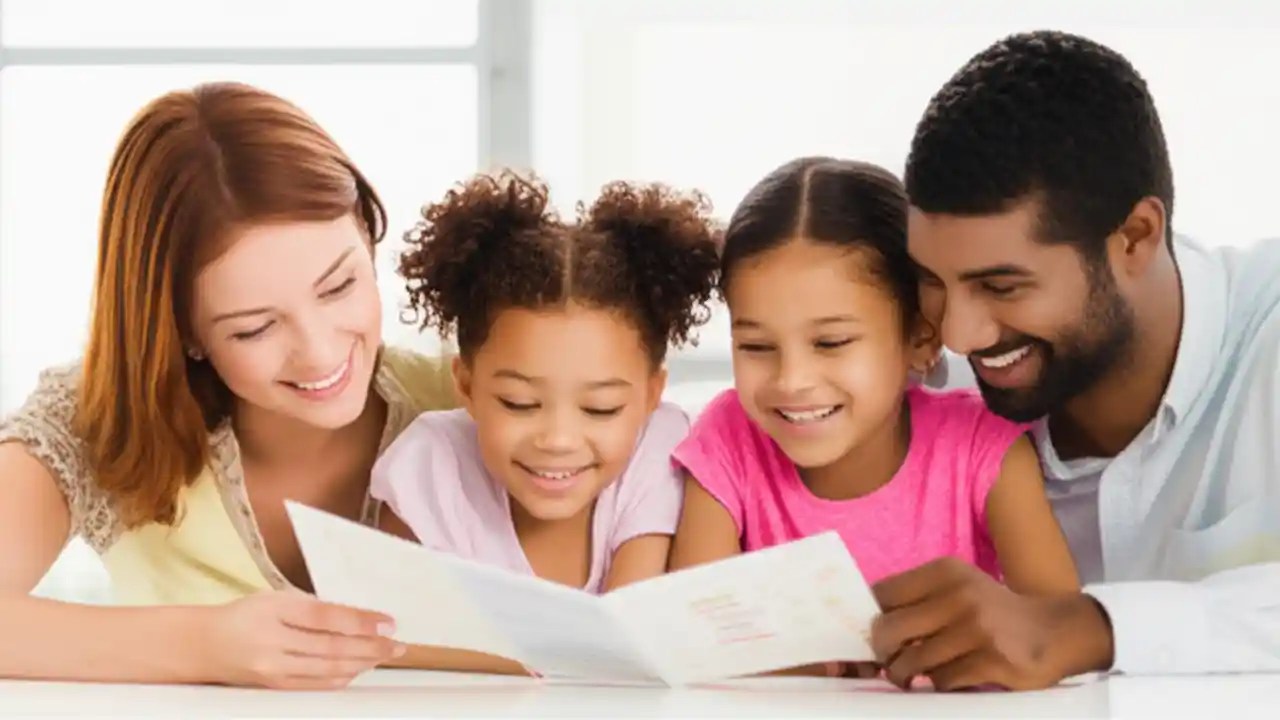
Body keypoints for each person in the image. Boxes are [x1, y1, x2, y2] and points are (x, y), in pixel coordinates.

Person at [0, 82, 461, 689]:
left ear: (367, 234)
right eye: (254, 328)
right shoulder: (96, 418)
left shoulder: (478, 401)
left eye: (339, 286)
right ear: (183, 330)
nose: (320, 351)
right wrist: (203, 645)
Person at [871, 29, 1280, 691]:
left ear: (1135, 238)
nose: (958, 334)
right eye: (933, 281)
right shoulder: (919, 390)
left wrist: (1086, 627)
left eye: (1002, 286)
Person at [666, 157, 1080, 678]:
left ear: (920, 338)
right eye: (755, 345)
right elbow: (689, 636)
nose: (791, 379)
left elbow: (1055, 630)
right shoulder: (728, 442)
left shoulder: (982, 450)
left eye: (831, 342)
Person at [368, 171, 720, 673]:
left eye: (600, 409)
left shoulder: (659, 446)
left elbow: (624, 637)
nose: (557, 440)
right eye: (518, 403)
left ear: (650, 395)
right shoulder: (429, 463)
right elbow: (386, 637)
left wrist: (486, 652)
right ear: (465, 385)